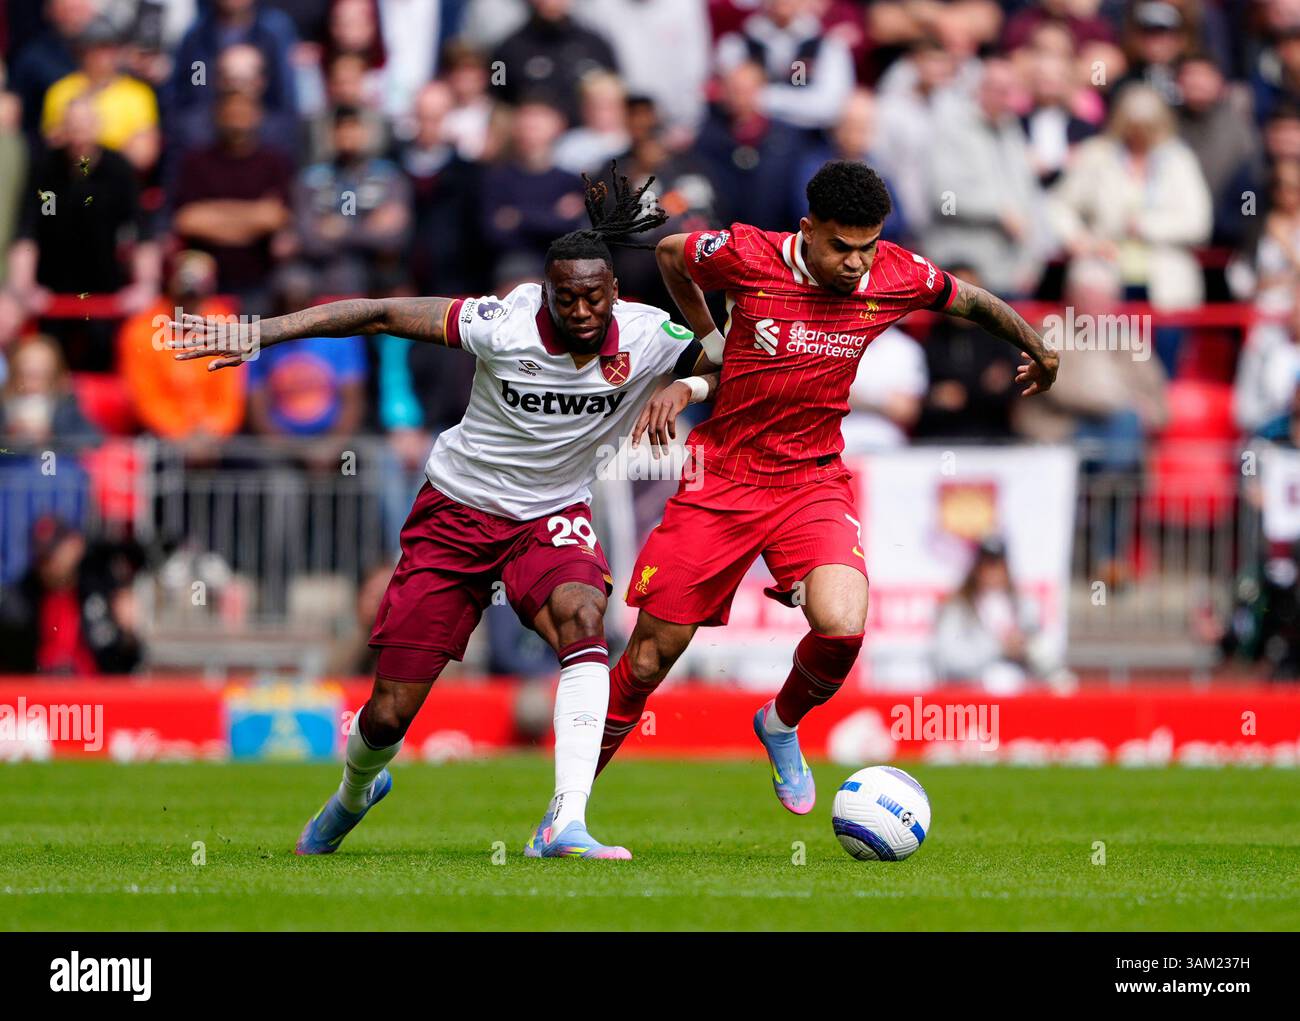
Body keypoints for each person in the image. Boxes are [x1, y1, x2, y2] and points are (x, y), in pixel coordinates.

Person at [169, 169, 719, 860]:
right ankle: (353, 792)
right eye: (566, 298)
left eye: (594, 298)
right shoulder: (503, 324)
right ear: (544, 292)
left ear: (615, 292)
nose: (581, 312)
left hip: (550, 515)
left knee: (584, 616)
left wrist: (691, 383)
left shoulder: (649, 334)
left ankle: (564, 820)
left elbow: (734, 357)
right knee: (391, 708)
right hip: (456, 513)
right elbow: (377, 312)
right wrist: (262, 332)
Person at [593, 160, 1058, 816]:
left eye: (867, 246)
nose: (856, 263)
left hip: (812, 481)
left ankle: (780, 723)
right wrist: (710, 339)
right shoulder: (747, 254)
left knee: (842, 627)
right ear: (809, 230)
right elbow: (672, 253)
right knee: (647, 659)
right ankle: (570, 804)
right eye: (842, 246)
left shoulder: (893, 272)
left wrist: (1037, 345)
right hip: (722, 478)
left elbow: (971, 299)